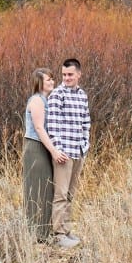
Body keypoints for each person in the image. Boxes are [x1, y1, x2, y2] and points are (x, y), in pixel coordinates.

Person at [46, 58, 90, 248]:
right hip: (63, 153)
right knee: (61, 193)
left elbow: (86, 121)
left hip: (78, 150)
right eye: (64, 75)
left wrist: (85, 145)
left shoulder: (82, 95)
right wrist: (56, 150)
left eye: (70, 74)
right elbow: (53, 124)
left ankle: (67, 229)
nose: (67, 78)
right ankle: (58, 234)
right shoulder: (57, 94)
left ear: (79, 74)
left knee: (71, 193)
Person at [23, 67, 67, 243]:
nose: (52, 82)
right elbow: (40, 129)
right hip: (36, 148)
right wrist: (54, 151)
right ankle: (36, 234)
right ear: (39, 82)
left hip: (44, 148)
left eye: (52, 79)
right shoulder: (37, 101)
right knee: (37, 189)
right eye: (48, 79)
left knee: (46, 188)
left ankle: (44, 232)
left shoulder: (46, 100)